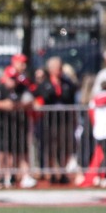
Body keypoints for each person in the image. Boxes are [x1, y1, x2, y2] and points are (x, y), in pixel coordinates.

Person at [0, 65, 36, 188]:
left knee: (21, 151)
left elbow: (30, 101)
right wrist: (4, 104)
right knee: (3, 152)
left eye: (14, 78)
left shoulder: (22, 88)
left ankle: (22, 176)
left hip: (19, 125)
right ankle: (3, 176)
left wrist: (18, 105)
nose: (13, 81)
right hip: (3, 125)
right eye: (11, 78)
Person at [36, 55, 78, 184]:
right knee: (50, 147)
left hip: (64, 121)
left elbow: (71, 98)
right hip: (49, 121)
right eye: (57, 68)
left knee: (64, 147)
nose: (59, 70)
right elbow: (41, 99)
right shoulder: (45, 84)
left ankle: (62, 171)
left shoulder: (67, 83)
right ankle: (52, 172)